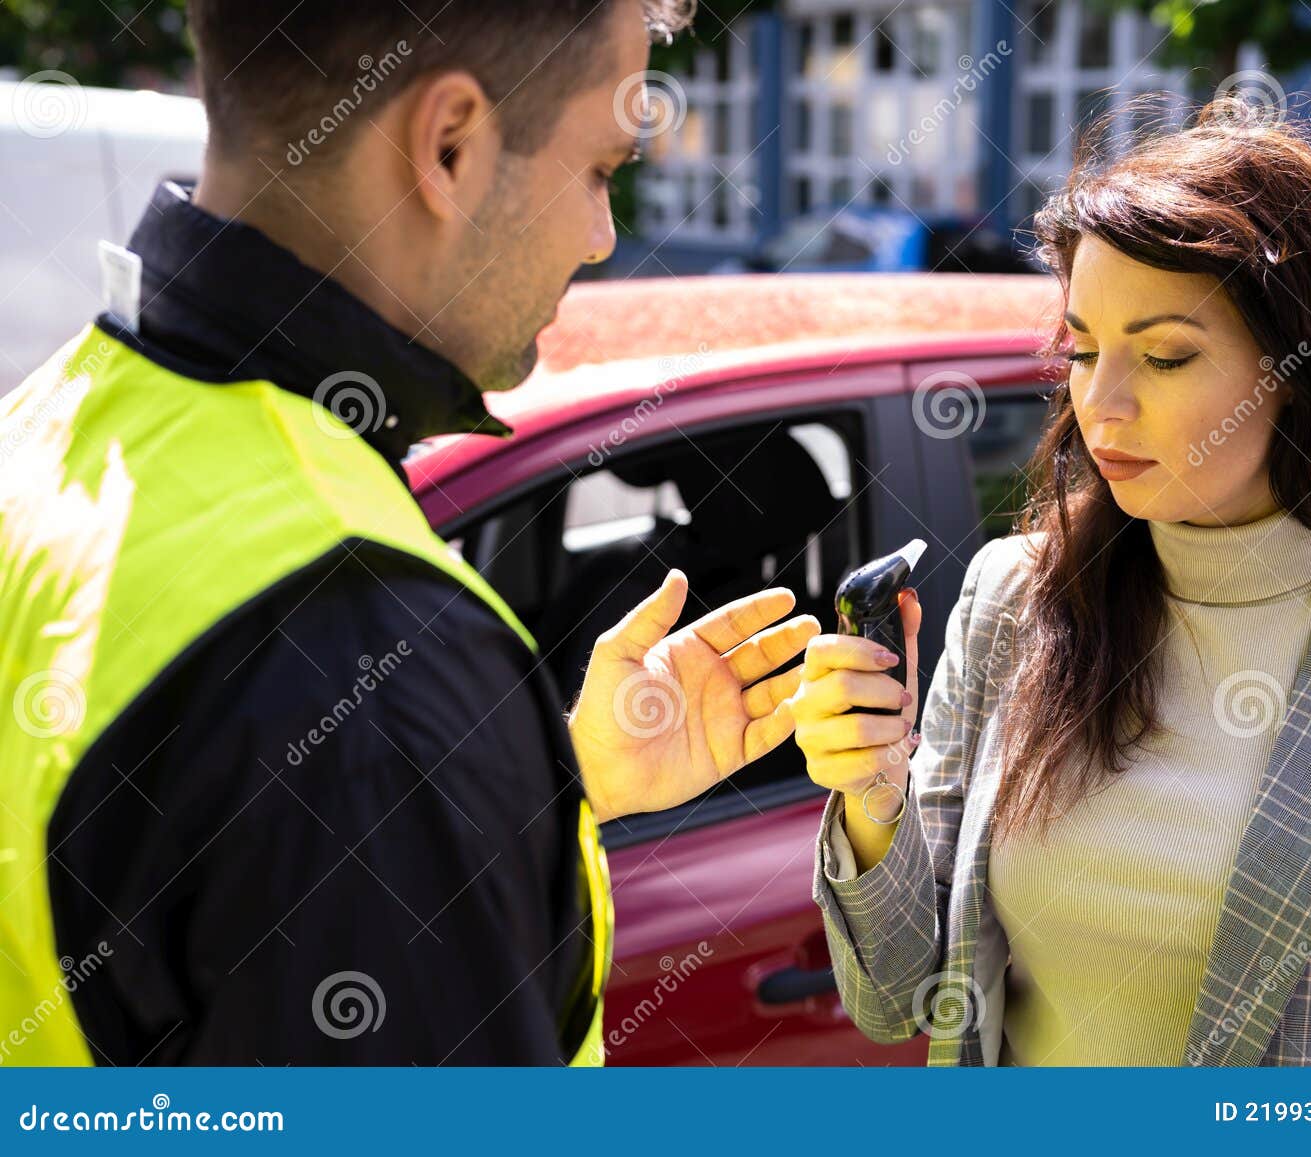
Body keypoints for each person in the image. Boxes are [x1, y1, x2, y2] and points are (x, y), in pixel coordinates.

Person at [0, 0, 824, 1065]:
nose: (602, 236)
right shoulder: (374, 675)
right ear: (448, 146)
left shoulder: (49, 425)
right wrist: (449, 784)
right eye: (598, 170)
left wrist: (550, 780)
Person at [793, 97, 1311, 1066]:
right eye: (1083, 350)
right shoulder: (1014, 597)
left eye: (1166, 354)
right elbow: (896, 998)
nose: (1102, 402)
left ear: (1295, 367)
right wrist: (871, 796)